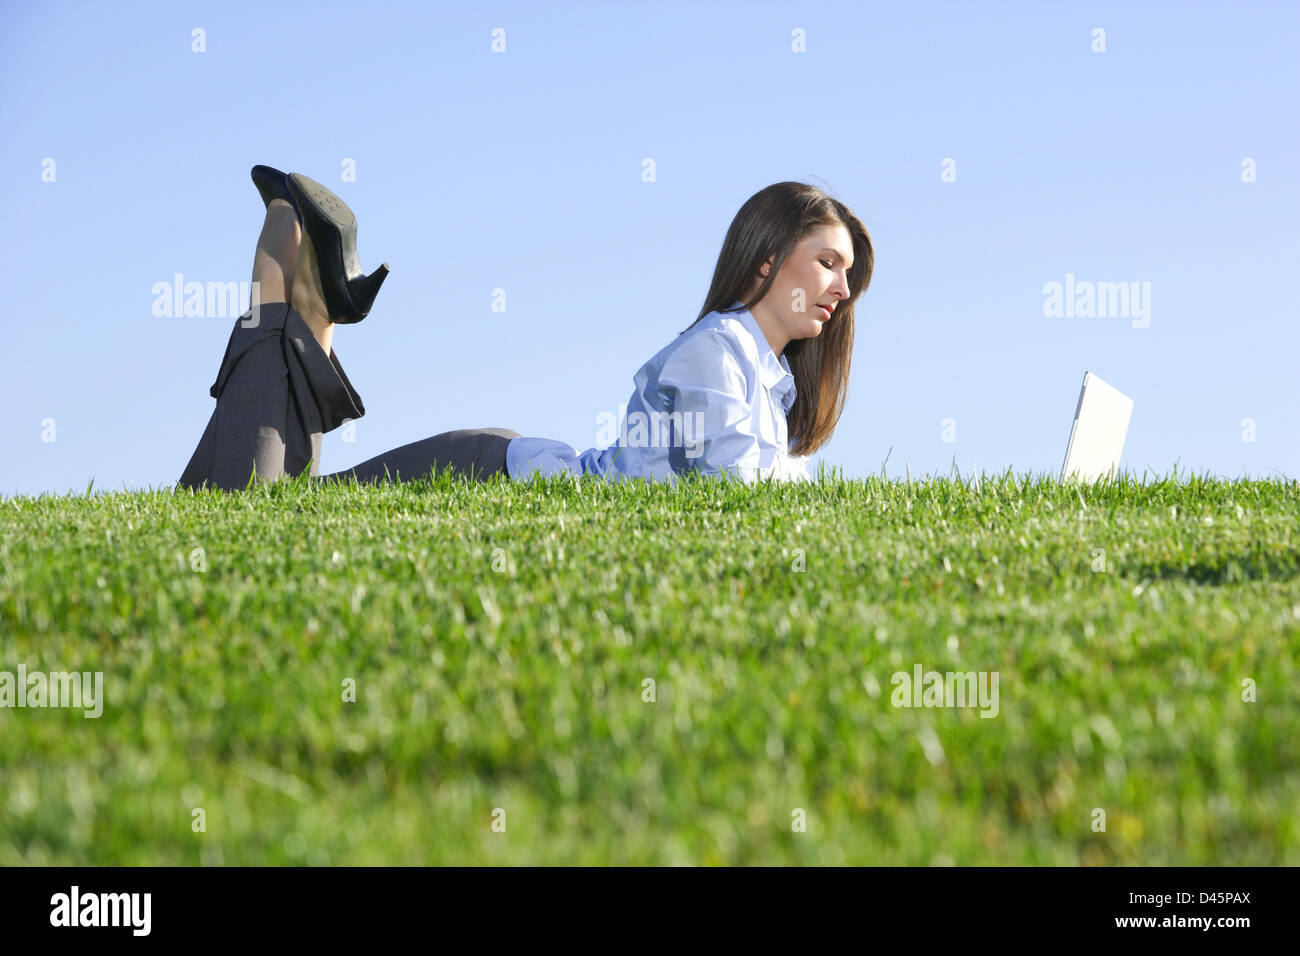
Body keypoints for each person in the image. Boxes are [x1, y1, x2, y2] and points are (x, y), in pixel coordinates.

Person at [176, 169, 873, 492]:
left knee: (223, 508)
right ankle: (282, 290)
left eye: (849, 275)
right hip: (483, 471)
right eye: (827, 263)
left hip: (507, 463)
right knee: (261, 510)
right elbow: (739, 486)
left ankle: (308, 313)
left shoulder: (767, 381)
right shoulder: (718, 351)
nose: (842, 289)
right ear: (765, 261)